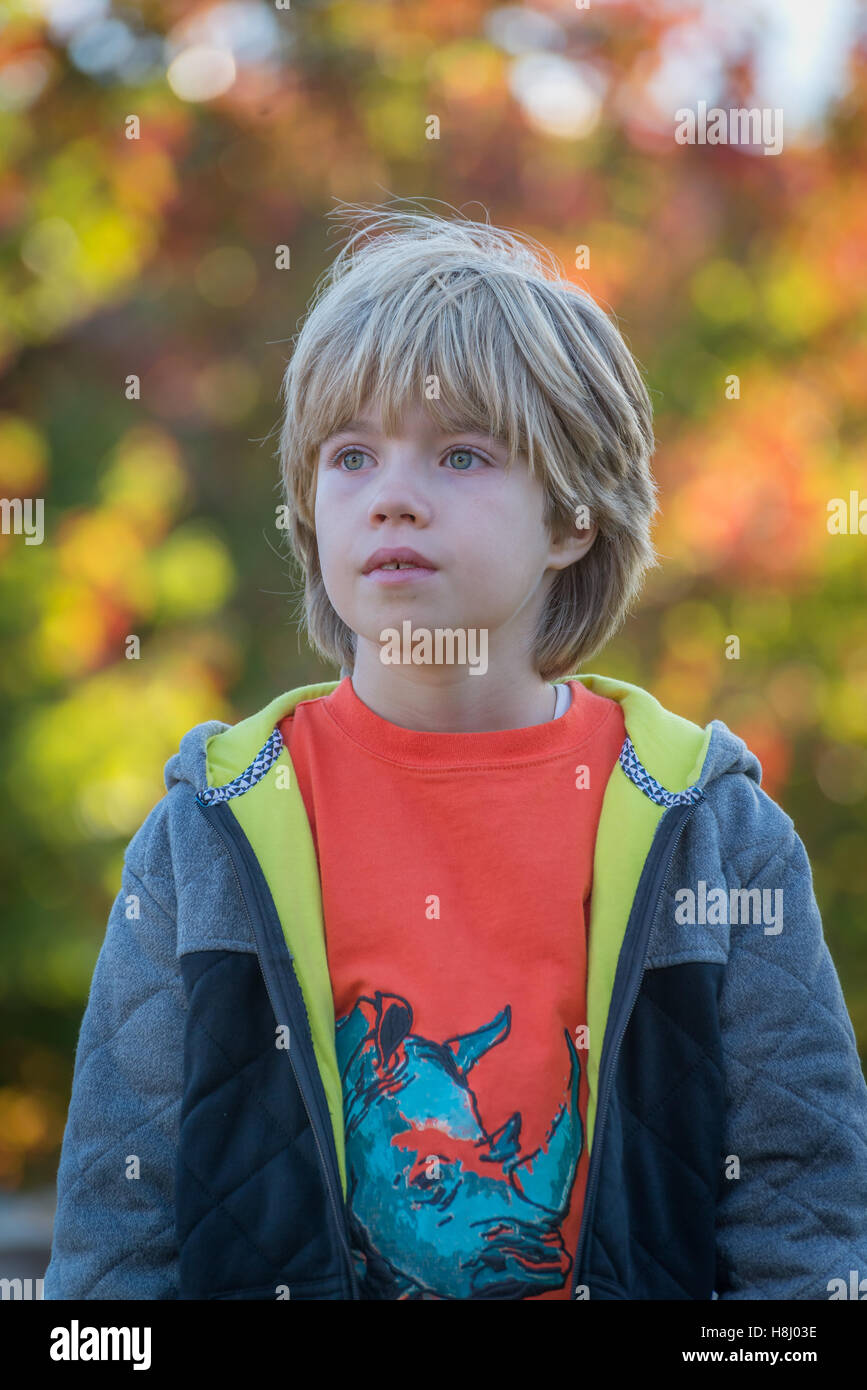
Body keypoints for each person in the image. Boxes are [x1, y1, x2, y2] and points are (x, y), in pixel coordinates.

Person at [44, 203, 867, 1300]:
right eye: (350, 456)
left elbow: (801, 1231)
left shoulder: (713, 834)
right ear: (309, 508)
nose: (391, 495)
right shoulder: (207, 833)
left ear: (573, 518)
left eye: (462, 452)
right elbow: (115, 1242)